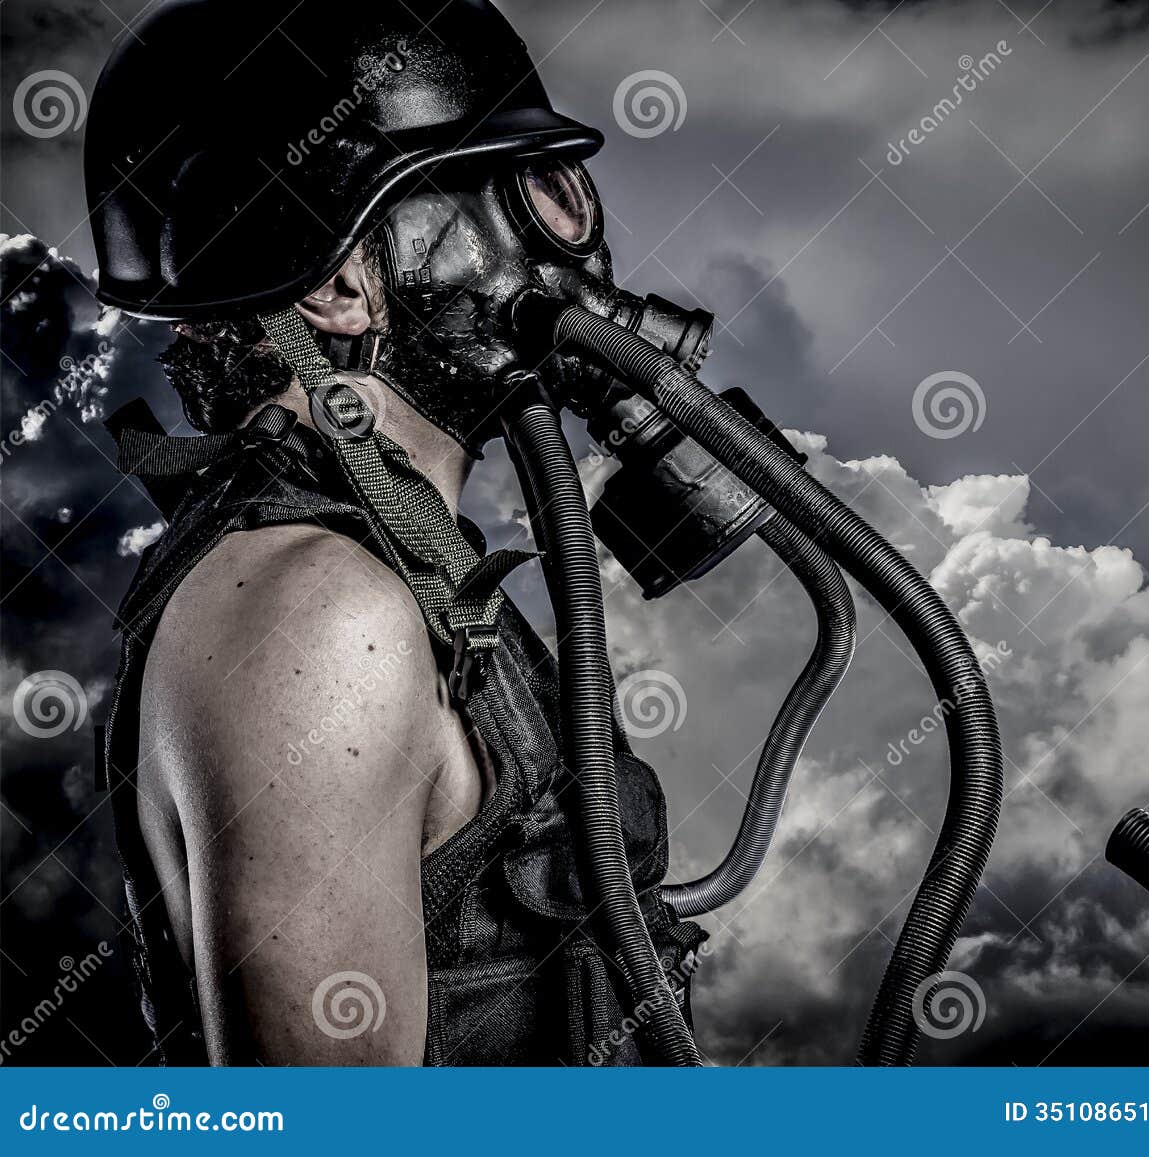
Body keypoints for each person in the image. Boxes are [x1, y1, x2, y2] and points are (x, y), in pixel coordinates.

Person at [86, 0, 703, 1066]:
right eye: (518, 196)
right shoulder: (317, 614)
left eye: (560, 188)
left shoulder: (401, 568)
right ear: (336, 282)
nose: (570, 244)